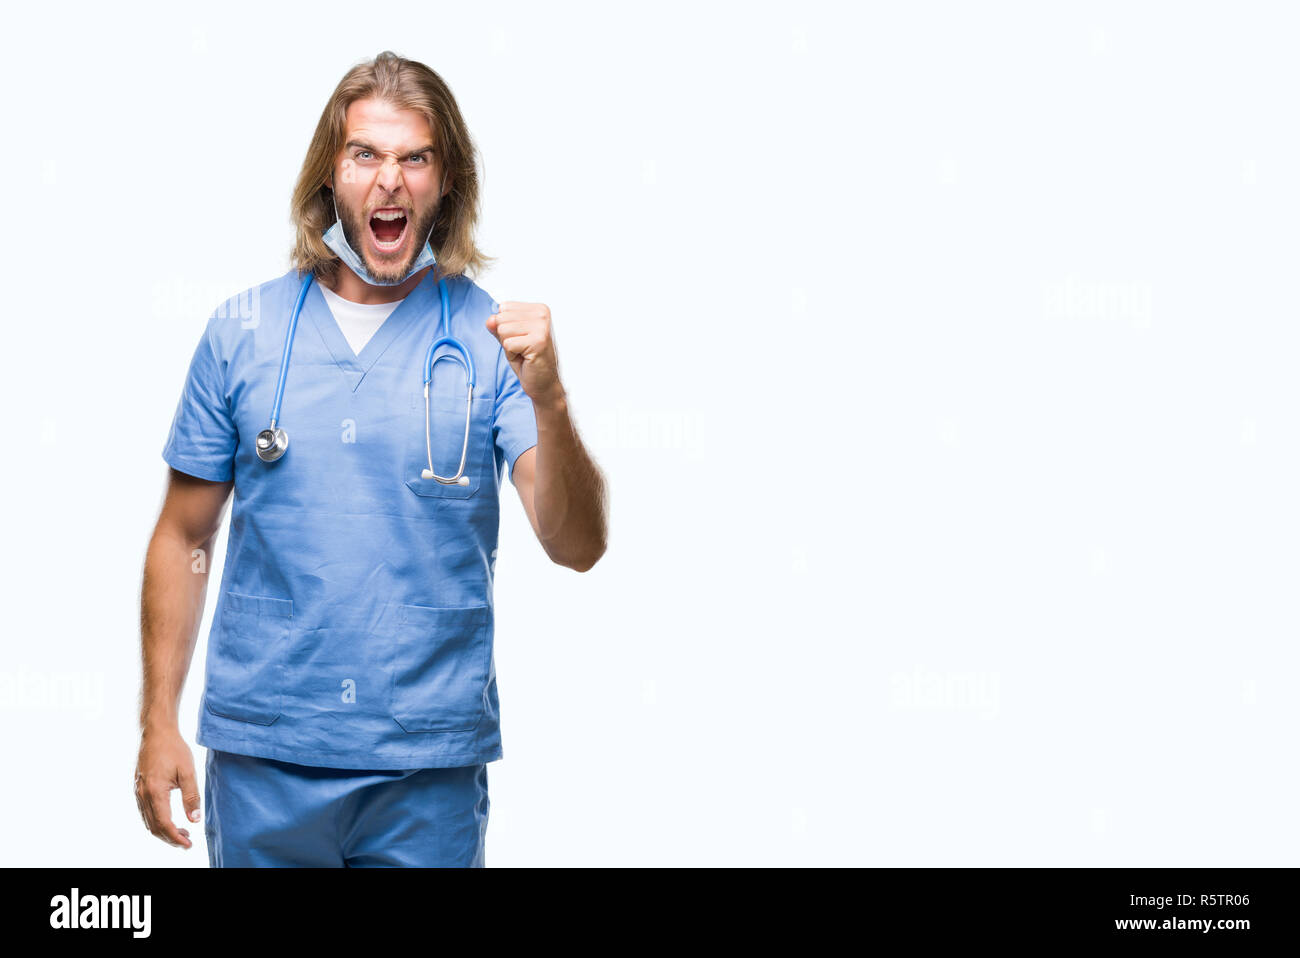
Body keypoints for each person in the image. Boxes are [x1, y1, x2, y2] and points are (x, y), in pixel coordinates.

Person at [134, 51, 608, 867]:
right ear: (331, 176)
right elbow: (184, 538)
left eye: (414, 157)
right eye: (366, 155)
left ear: (446, 181)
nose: (390, 181)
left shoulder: (496, 343)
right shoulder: (241, 333)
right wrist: (157, 721)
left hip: (426, 770)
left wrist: (552, 402)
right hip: (264, 761)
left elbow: (577, 546)